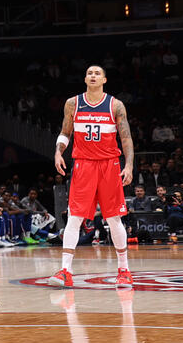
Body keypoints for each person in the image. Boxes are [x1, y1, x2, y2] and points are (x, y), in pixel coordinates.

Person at [49, 65, 135, 289]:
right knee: (75, 217)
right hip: (83, 164)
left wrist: (129, 165)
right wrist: (58, 151)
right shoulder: (73, 103)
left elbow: (126, 138)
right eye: (90, 73)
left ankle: (124, 271)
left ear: (104, 79)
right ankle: (65, 271)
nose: (93, 76)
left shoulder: (115, 105)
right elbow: (65, 132)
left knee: (114, 218)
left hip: (109, 164)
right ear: (85, 79)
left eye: (97, 73)